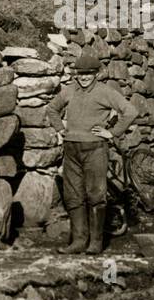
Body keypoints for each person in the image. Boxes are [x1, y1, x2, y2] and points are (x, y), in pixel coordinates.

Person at [45, 48, 137, 254]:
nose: (84, 77)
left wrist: (111, 133)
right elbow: (52, 109)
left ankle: (96, 242)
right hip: (71, 149)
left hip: (95, 149)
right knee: (73, 195)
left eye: (88, 73)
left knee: (96, 195)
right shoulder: (70, 90)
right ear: (76, 74)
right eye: (80, 73)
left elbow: (130, 111)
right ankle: (78, 241)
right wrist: (61, 129)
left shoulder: (105, 91)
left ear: (96, 73)